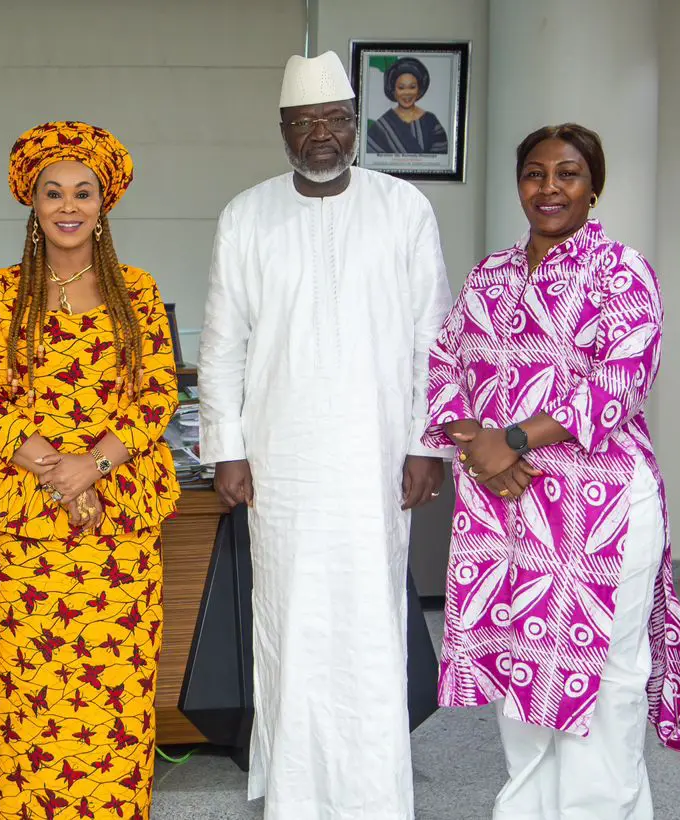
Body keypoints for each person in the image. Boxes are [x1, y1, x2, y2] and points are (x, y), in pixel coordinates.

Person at [197, 51, 452, 819]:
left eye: (334, 120)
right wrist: (228, 448)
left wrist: (425, 441)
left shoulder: (404, 208)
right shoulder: (246, 214)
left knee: (373, 615)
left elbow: (431, 334)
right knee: (292, 618)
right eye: (303, 123)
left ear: (355, 127)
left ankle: (374, 791)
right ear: (282, 130)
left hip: (376, 455)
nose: (320, 135)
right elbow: (222, 342)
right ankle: (299, 791)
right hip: (285, 458)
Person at [424, 123, 680, 818]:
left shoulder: (621, 272)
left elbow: (620, 380)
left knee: (601, 683)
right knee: (521, 676)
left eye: (567, 174)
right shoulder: (490, 275)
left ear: (592, 187)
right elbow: (440, 363)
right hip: (503, 509)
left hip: (598, 509)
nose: (549, 188)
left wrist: (510, 438)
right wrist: (476, 443)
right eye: (535, 174)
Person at [0, 121, 181, 820]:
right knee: (34, 685)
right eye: (52, 191)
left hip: (120, 517)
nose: (67, 206)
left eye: (83, 192)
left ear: (104, 201)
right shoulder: (1, 292)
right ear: (32, 200)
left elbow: (157, 392)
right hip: (27, 520)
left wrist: (94, 464)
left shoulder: (136, 292)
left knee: (117, 689)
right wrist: (57, 470)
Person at [366, 56, 449, 155]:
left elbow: (440, 159)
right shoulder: (382, 125)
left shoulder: (431, 122)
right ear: (393, 90)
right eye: (401, 88)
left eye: (412, 87)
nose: (407, 93)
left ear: (419, 89)